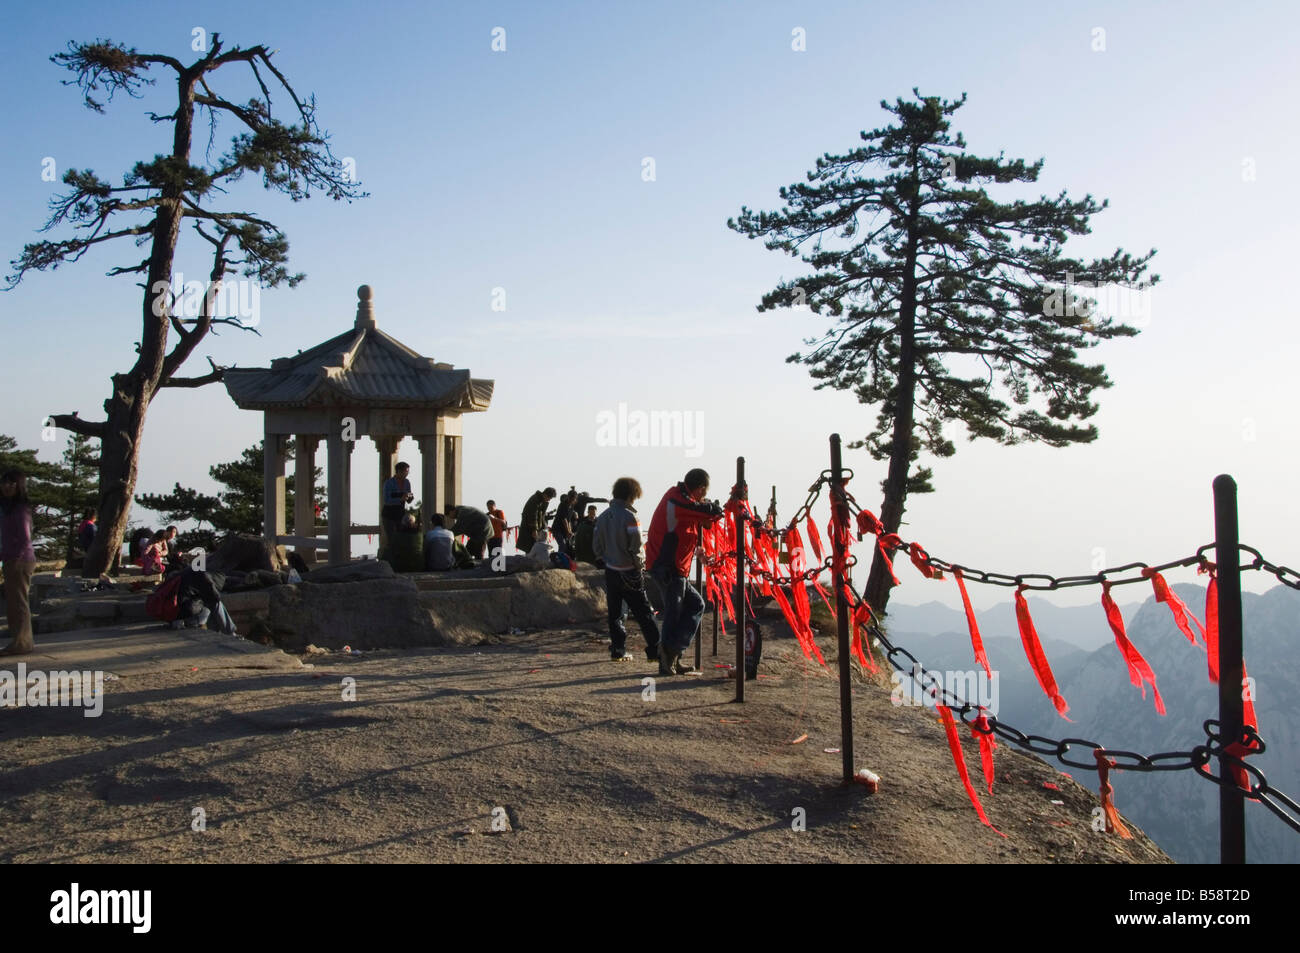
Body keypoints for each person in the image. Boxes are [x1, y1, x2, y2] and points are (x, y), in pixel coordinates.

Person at [645, 468, 724, 676]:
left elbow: (702, 516)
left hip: (675, 567)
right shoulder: (677, 499)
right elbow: (707, 512)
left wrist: (708, 510)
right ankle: (668, 656)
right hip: (667, 566)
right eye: (704, 492)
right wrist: (713, 508)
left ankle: (674, 653)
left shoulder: (682, 500)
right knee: (674, 611)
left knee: (694, 605)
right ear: (700, 488)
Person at [593, 477, 660, 663]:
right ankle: (655, 650)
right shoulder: (631, 517)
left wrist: (605, 559)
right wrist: (640, 565)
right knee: (644, 612)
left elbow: (596, 545)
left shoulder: (603, 517)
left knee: (615, 613)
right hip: (629, 571)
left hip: (611, 570)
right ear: (632, 495)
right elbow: (636, 545)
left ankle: (618, 649)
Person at [0, 469, 37, 656]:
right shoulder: (6, 507)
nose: (7, 486)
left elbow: (24, 538)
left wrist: (15, 557)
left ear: (19, 485)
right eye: (5, 482)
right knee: (13, 604)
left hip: (20, 560)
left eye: (12, 483)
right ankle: (19, 640)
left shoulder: (20, 508)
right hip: (9, 559)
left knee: (19, 603)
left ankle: (22, 642)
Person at [381, 462, 414, 543]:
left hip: (400, 514)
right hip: (389, 514)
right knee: (392, 539)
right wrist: (400, 499)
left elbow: (409, 499)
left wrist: (409, 497)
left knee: (402, 538)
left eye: (408, 472)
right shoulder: (388, 483)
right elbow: (386, 500)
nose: (407, 474)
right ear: (399, 471)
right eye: (406, 471)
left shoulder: (407, 482)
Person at [518, 487, 556, 553]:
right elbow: (532, 515)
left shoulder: (541, 501)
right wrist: (534, 529)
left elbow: (542, 516)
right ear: (545, 495)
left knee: (535, 548)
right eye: (549, 498)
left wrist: (544, 528)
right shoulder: (535, 500)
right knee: (530, 548)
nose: (549, 500)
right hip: (529, 528)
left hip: (537, 529)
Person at [550, 490, 578, 556]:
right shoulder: (563, 505)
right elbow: (564, 519)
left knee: (566, 546)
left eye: (573, 499)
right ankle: (558, 559)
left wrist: (570, 531)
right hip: (557, 529)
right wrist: (568, 531)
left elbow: (569, 520)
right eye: (571, 498)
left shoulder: (571, 506)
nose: (572, 500)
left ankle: (562, 558)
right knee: (562, 545)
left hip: (564, 530)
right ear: (568, 497)